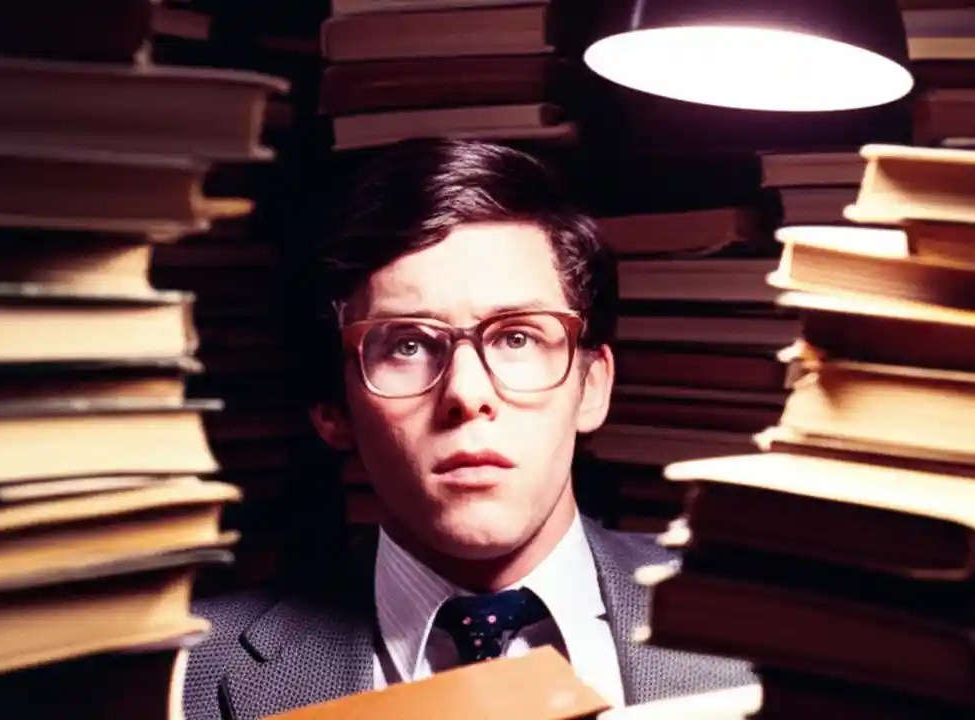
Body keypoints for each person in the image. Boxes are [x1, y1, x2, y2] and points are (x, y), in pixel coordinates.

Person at [182, 139, 755, 720]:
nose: (466, 394)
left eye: (516, 337)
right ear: (332, 409)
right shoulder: (184, 683)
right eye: (406, 345)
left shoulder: (769, 624)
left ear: (592, 387)